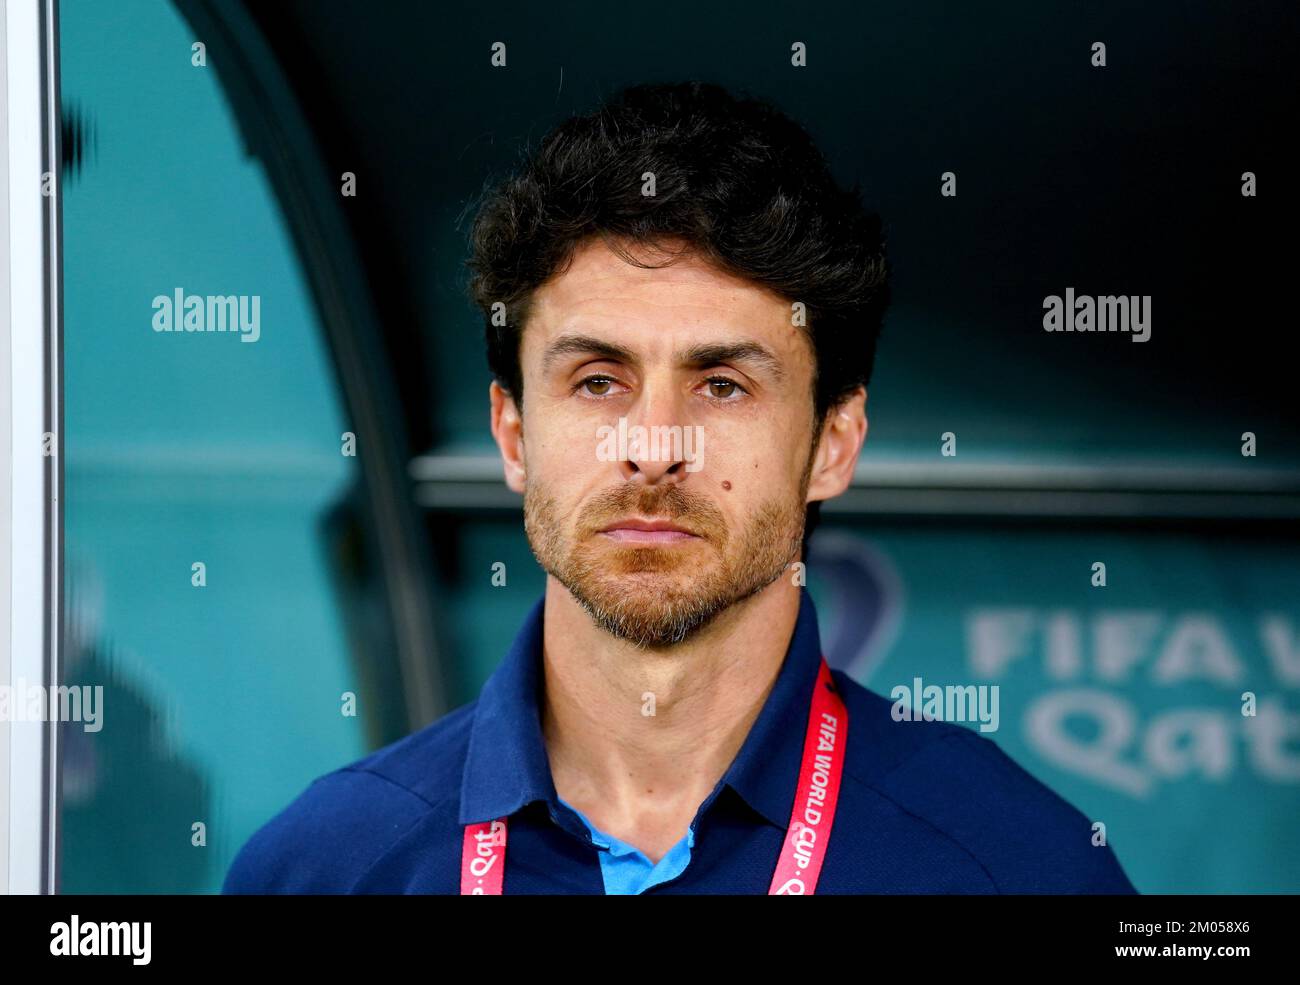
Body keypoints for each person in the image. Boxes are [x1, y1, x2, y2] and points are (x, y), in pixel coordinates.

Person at [223, 81, 1137, 894]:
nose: (653, 446)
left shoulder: (1021, 866)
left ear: (832, 442)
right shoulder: (323, 867)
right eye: (597, 381)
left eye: (723, 385)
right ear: (513, 434)